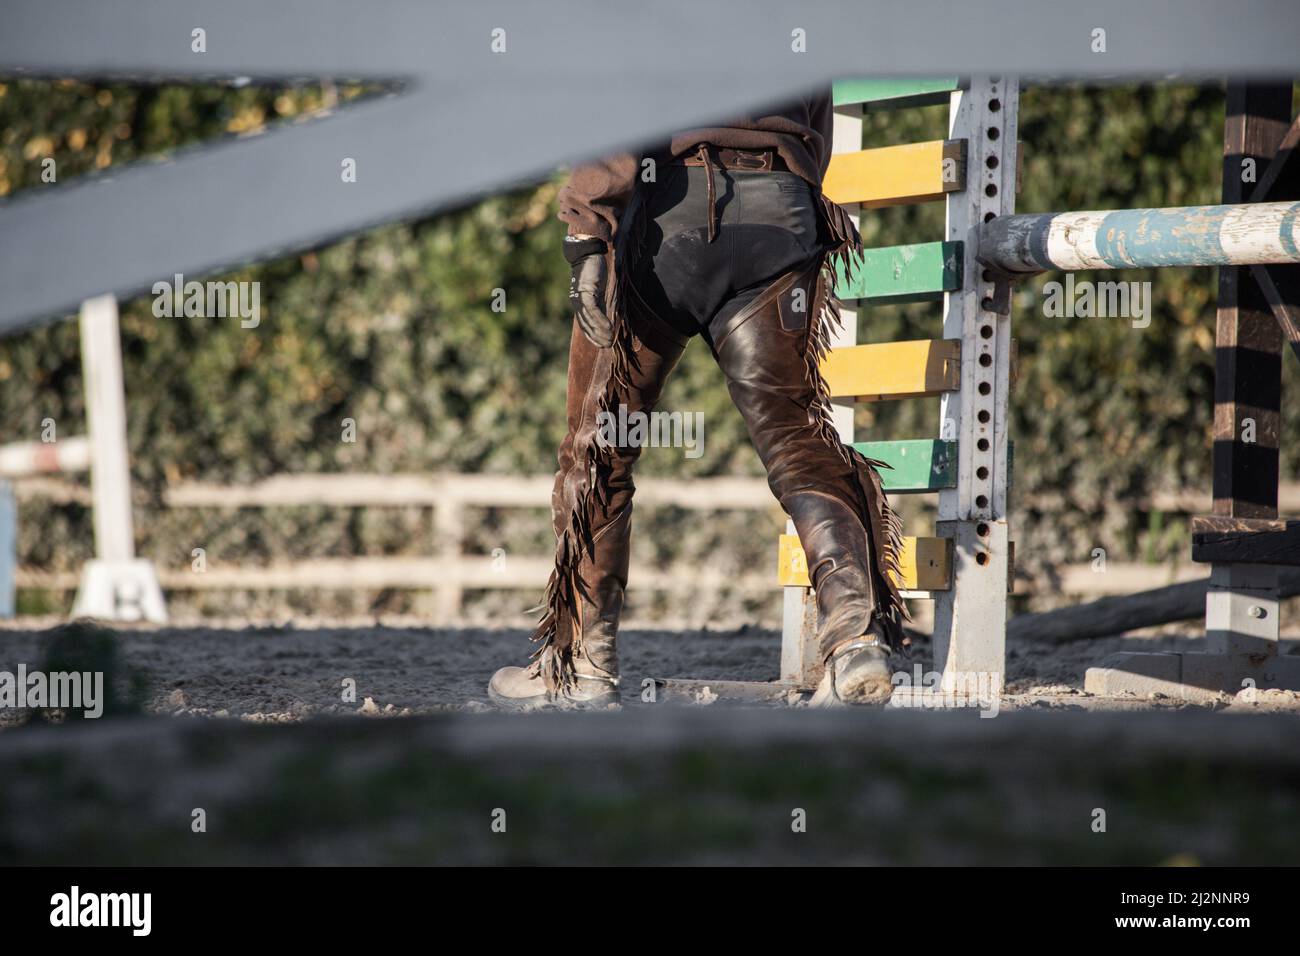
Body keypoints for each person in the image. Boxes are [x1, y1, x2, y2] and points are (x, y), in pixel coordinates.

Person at [488, 89, 908, 710]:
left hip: (668, 213)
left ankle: (583, 666)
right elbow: (815, 116)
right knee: (796, 439)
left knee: (603, 445)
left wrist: (586, 225)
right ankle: (854, 640)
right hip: (781, 210)